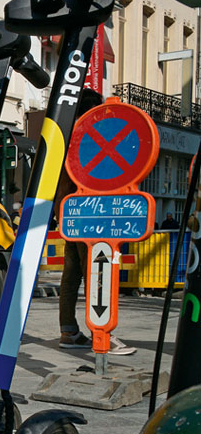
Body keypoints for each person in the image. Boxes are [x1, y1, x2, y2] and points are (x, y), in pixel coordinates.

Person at [56, 91, 134, 356]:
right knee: (96, 271)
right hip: (92, 211)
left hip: (70, 213)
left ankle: (68, 330)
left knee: (71, 274)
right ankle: (101, 334)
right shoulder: (90, 133)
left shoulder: (66, 135)